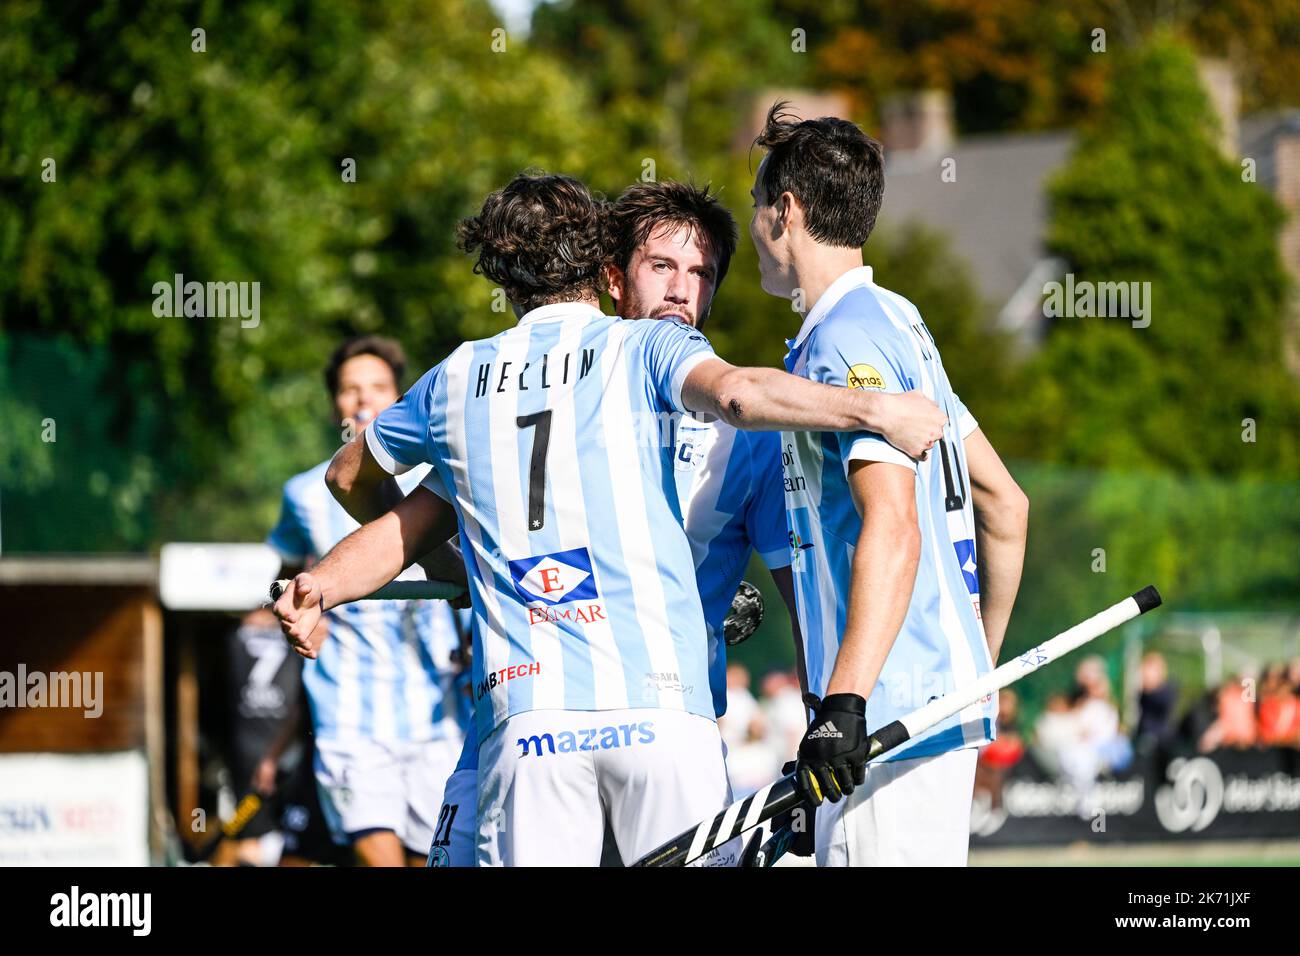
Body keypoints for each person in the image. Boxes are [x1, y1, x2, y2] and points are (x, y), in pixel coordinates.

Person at [274, 171, 949, 866]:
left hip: (528, 725)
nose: (683, 288)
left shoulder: (460, 383)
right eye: (662, 266)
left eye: (702, 272)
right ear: (608, 274)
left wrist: (325, 582)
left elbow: (358, 486)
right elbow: (744, 394)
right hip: (659, 721)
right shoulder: (648, 354)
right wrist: (876, 407)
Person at [748, 102, 1030, 866]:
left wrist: (844, 704)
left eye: (755, 207)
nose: (754, 230)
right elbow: (1006, 504)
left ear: (787, 211)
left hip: (886, 716)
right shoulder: (900, 320)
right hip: (923, 703)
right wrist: (976, 664)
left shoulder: (844, 338)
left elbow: (894, 524)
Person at [266, 335, 466, 866]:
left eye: (377, 388)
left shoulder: (438, 487)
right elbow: (285, 580)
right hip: (347, 717)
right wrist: (299, 608)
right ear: (334, 402)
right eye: (350, 390)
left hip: (439, 717)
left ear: (398, 397)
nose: (362, 401)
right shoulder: (305, 493)